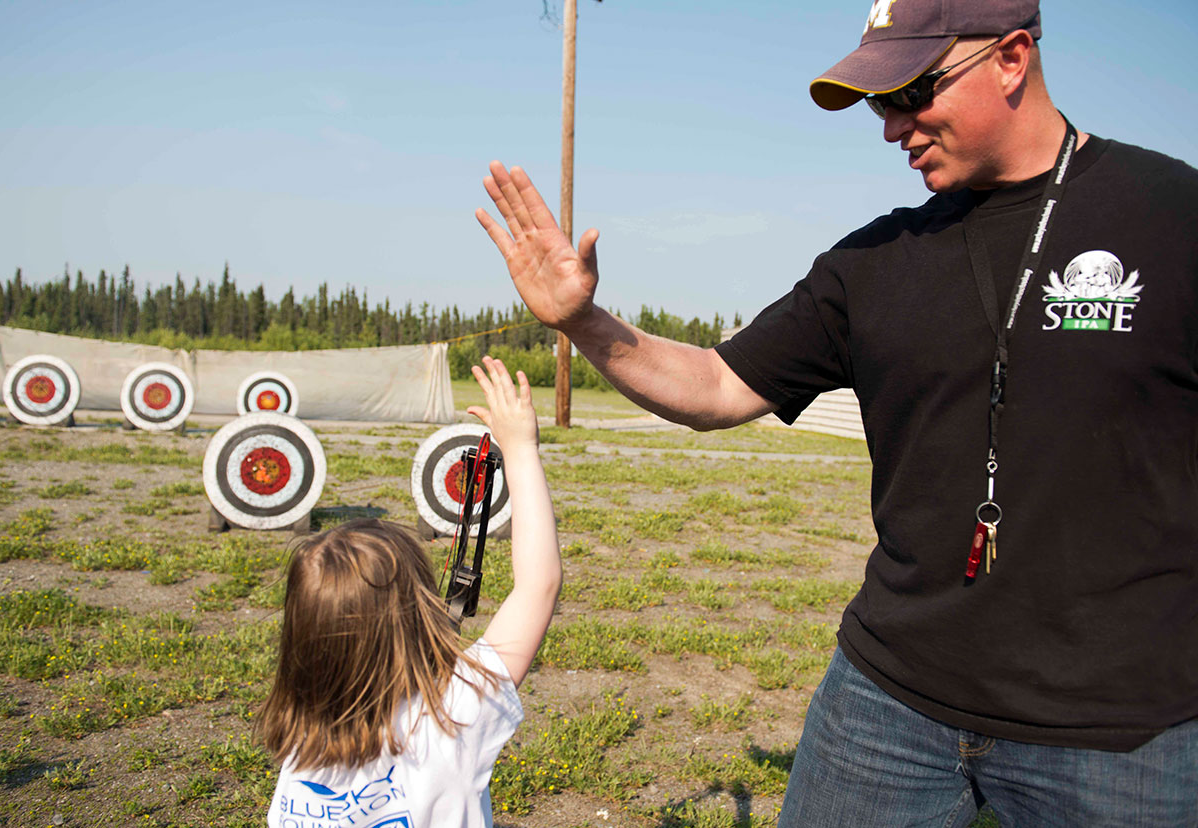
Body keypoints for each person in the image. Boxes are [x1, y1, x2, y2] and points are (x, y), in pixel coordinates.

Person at [476, 0, 1198, 824]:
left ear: (1011, 58)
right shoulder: (872, 261)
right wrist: (583, 323)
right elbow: (717, 384)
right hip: (889, 702)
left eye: (912, 92)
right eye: (878, 103)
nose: (892, 127)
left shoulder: (1172, 218)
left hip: (1123, 731)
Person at [256, 356, 561, 828]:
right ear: (418, 612)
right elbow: (539, 585)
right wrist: (521, 449)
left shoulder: (299, 747)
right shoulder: (452, 714)